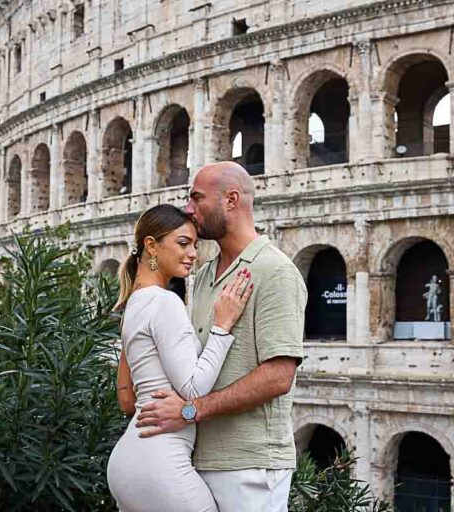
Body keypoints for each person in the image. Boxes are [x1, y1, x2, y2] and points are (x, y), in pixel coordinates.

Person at [135, 162, 308, 512]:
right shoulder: (202, 275)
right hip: (198, 459)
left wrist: (190, 410)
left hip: (250, 464)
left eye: (197, 198)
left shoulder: (275, 271)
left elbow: (279, 376)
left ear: (231, 200)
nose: (188, 209)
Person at [106, 203, 254, 512]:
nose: (193, 254)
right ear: (151, 245)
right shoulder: (164, 302)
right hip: (160, 464)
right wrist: (222, 326)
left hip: (126, 463)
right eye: (183, 243)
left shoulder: (134, 303)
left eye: (195, 245)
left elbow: (126, 400)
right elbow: (193, 388)